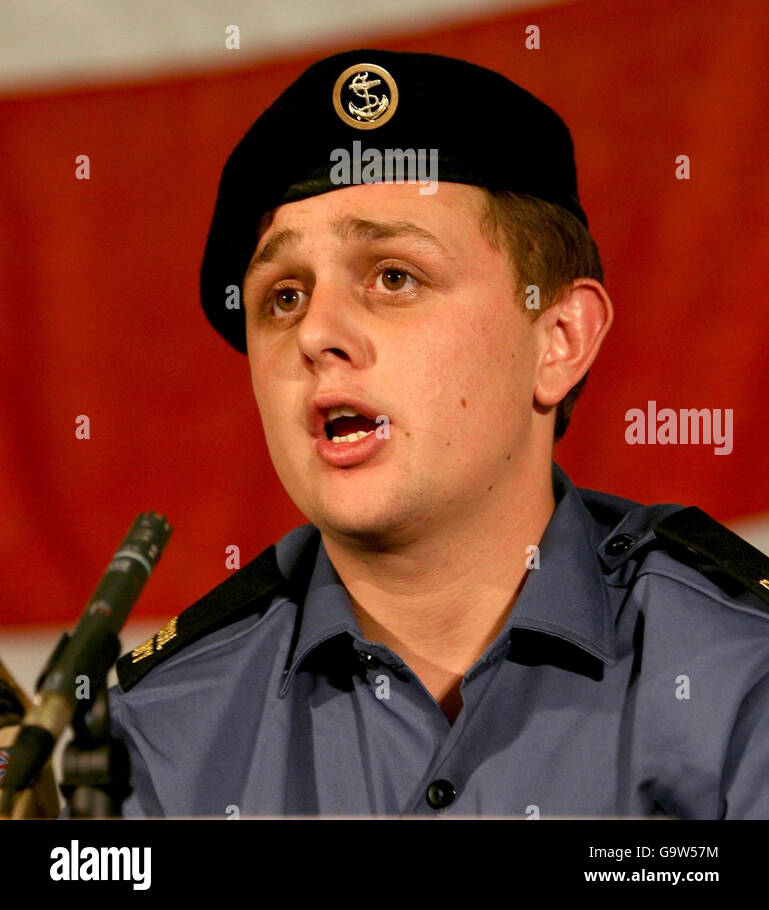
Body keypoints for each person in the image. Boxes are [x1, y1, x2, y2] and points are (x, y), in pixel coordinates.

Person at [105, 49, 769, 818]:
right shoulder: (161, 733)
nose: (316, 332)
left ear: (557, 338)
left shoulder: (739, 674)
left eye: (393, 277)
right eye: (283, 296)